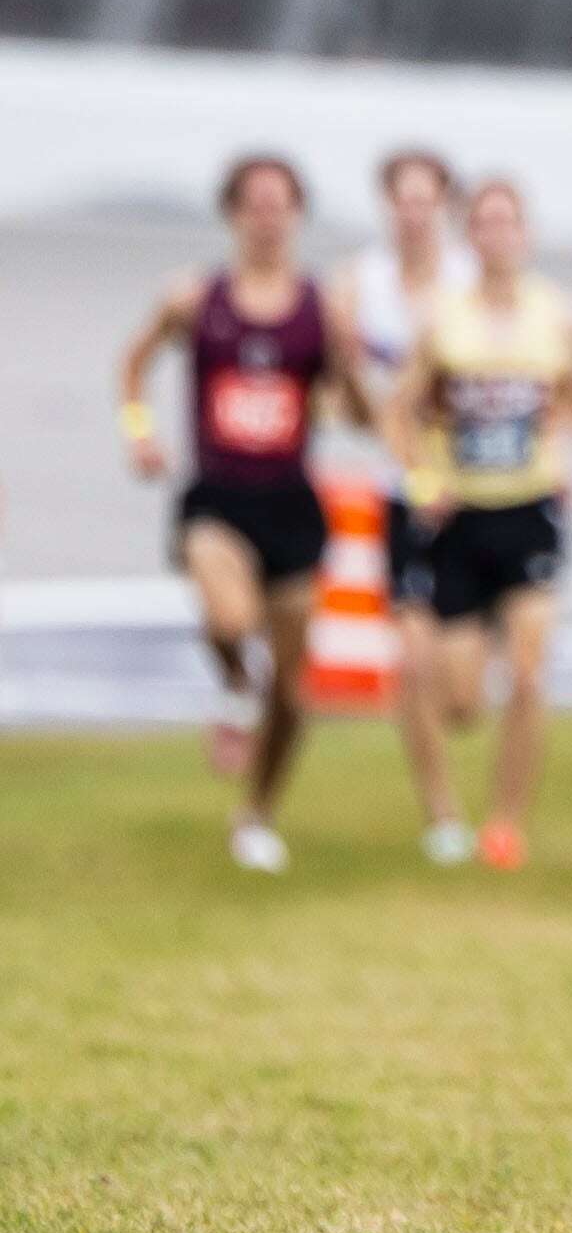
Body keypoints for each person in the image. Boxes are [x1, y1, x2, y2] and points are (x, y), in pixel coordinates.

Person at [115, 154, 373, 872]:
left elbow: (357, 410)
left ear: (297, 215)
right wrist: (140, 433)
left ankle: (257, 812)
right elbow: (133, 364)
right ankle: (233, 681)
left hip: (290, 503)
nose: (267, 217)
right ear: (232, 212)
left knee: (293, 690)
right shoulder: (194, 297)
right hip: (217, 498)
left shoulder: (323, 308)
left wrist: (355, 374)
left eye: (280, 204)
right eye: (254, 203)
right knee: (229, 619)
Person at [382, 178, 572, 870]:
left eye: (508, 221)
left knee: (532, 672)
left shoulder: (561, 314)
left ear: (526, 232)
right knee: (459, 701)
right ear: (468, 236)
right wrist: (422, 478)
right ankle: (451, 802)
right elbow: (399, 413)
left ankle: (506, 822)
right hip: (461, 515)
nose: (497, 234)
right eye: (483, 223)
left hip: (530, 508)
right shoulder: (440, 317)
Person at [326, 148, 475, 786]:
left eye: (426, 201)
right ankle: (439, 810)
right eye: (402, 201)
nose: (414, 215)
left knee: (462, 698)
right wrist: (359, 385)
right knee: (409, 660)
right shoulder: (358, 287)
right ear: (386, 205)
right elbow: (340, 404)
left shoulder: (473, 283)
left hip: (478, 490)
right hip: (399, 487)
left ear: (445, 206)